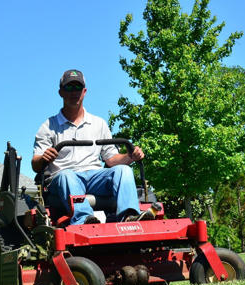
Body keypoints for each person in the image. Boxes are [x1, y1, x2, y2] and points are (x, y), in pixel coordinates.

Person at [32, 69, 155, 225]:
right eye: (69, 88)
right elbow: (36, 164)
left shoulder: (99, 123)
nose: (73, 92)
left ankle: (129, 216)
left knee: (124, 170)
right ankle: (85, 219)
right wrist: (43, 158)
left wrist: (131, 156)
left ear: (84, 91)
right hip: (64, 180)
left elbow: (110, 159)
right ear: (61, 92)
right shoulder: (48, 126)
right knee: (67, 175)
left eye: (77, 88)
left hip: (95, 177)